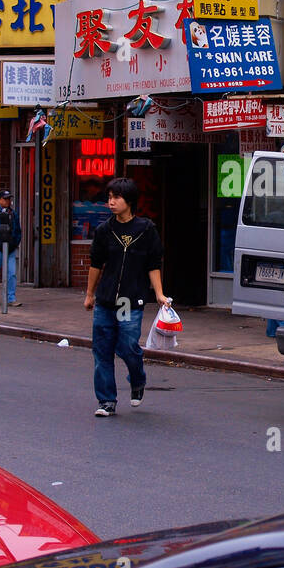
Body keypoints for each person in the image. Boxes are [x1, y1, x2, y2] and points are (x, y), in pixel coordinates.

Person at [84, 177, 170, 417]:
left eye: (116, 198)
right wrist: (90, 294)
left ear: (129, 201)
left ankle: (137, 379)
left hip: (130, 301)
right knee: (102, 351)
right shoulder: (104, 230)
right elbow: (95, 264)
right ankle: (106, 401)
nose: (111, 202)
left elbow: (153, 264)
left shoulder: (146, 230)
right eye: (109, 198)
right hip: (106, 300)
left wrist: (160, 294)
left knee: (128, 347)